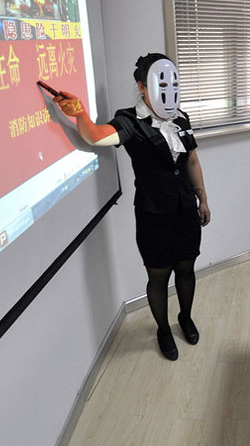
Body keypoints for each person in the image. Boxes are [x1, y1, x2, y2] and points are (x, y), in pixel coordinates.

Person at [53, 53, 210, 361]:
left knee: (187, 269)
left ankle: (185, 317)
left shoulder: (181, 117)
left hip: (185, 211)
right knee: (159, 278)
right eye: (159, 82)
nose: (168, 89)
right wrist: (80, 114)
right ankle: (164, 329)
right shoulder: (129, 120)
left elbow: (191, 158)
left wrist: (202, 198)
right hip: (153, 216)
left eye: (172, 82)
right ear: (142, 86)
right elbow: (96, 136)